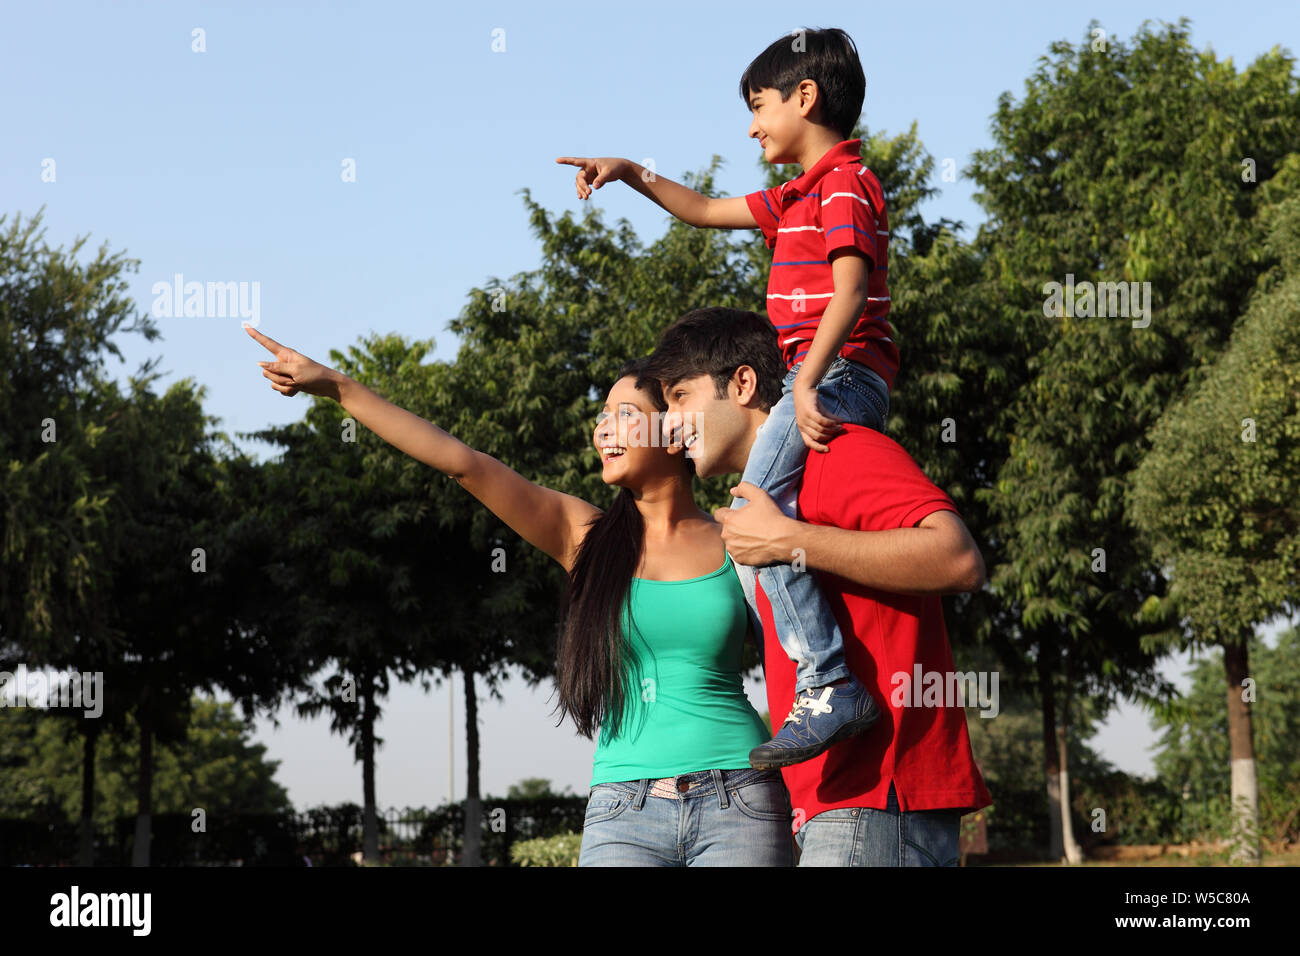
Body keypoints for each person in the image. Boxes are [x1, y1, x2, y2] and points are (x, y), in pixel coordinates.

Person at [244, 324, 793, 867]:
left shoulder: (738, 534)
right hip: (625, 811)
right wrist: (339, 387)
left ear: (673, 432)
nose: (604, 429)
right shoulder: (584, 535)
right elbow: (464, 464)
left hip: (740, 797)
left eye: (626, 415)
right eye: (602, 416)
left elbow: (802, 655)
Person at [557, 27, 895, 768]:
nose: (750, 126)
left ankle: (830, 681)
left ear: (804, 98)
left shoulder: (842, 185)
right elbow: (706, 210)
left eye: (759, 106)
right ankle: (818, 677)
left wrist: (804, 381)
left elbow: (852, 290)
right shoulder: (796, 197)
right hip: (822, 371)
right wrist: (630, 172)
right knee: (755, 524)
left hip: (842, 374)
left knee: (749, 512)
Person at [644, 307, 993, 866]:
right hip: (836, 806)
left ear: (742, 383)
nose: (671, 421)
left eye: (681, 397)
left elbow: (957, 558)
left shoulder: (834, 448)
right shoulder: (761, 504)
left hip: (878, 797)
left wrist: (789, 542)